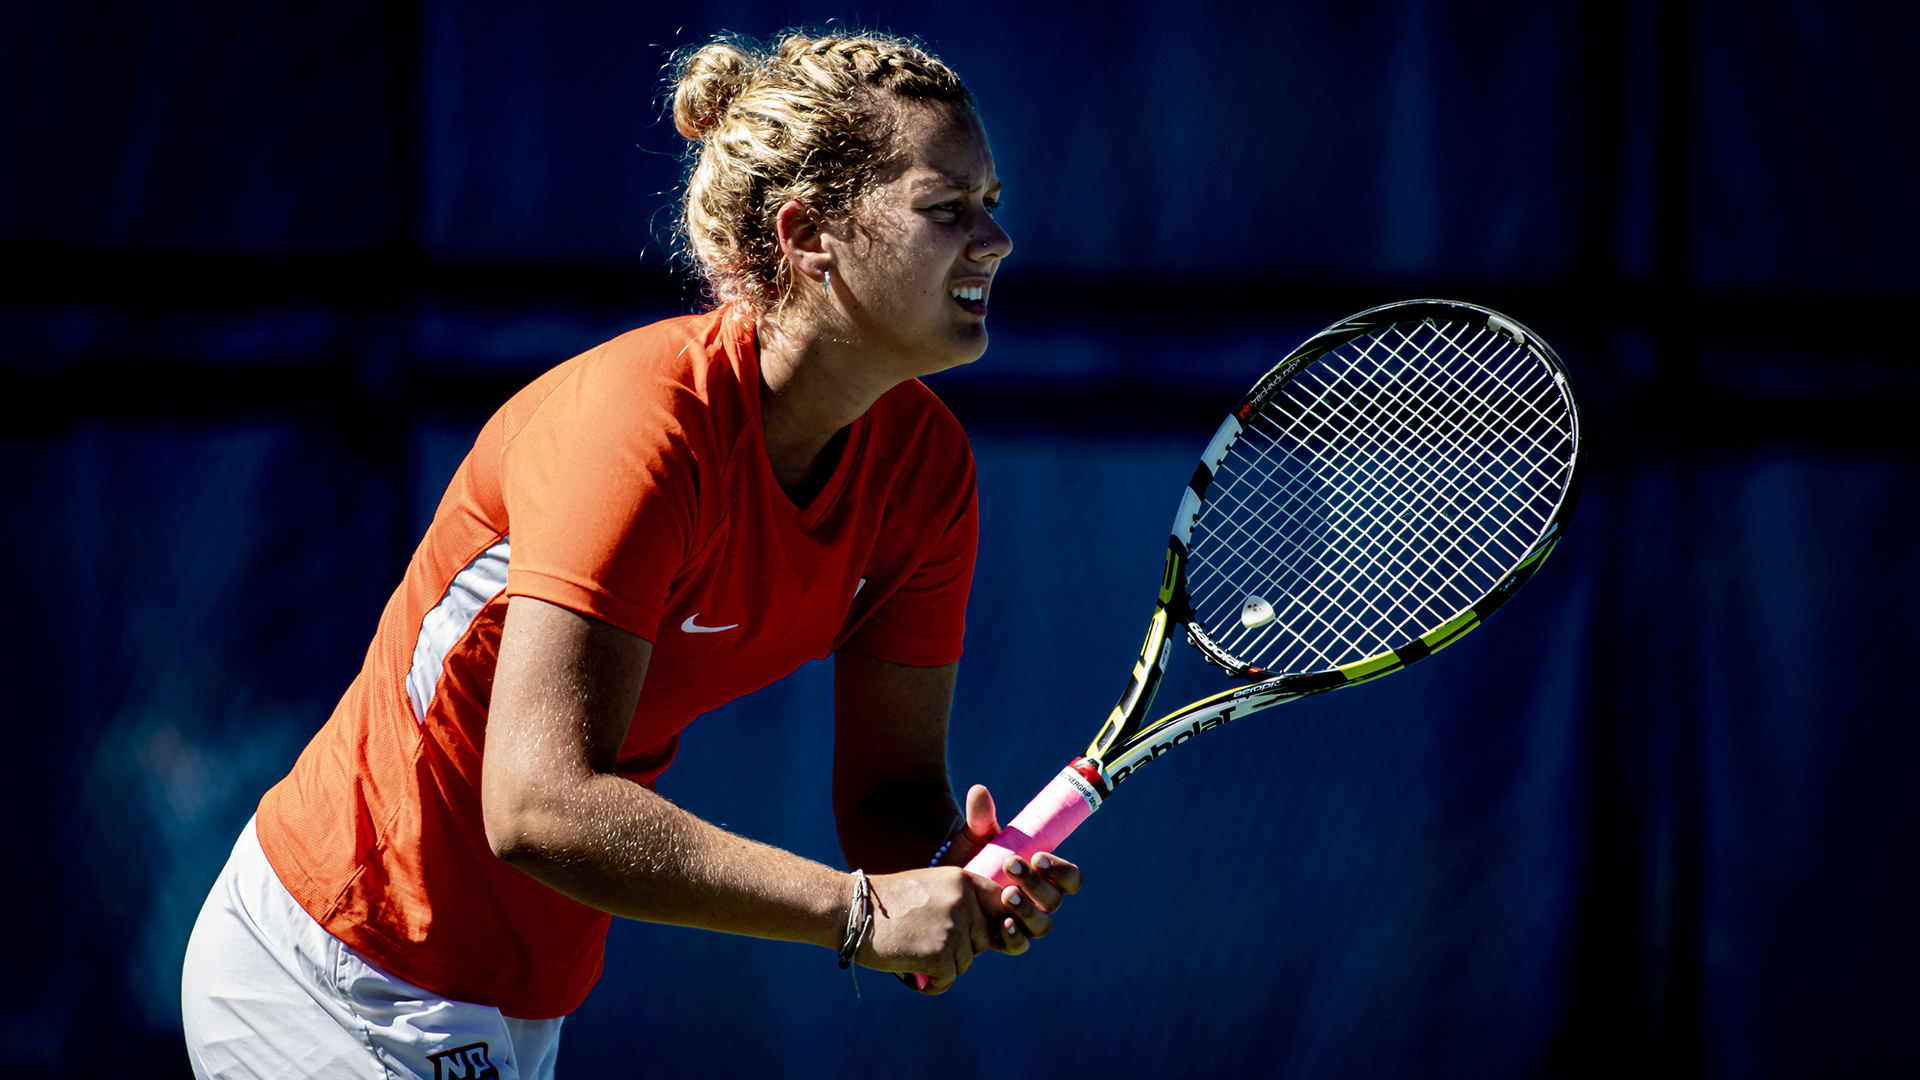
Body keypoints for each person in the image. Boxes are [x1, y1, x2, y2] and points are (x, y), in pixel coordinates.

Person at [181, 30, 1082, 1079]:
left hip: (518, 994)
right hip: (333, 959)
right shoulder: (642, 430)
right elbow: (536, 803)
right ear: (809, 235)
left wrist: (944, 879)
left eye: (992, 200)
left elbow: (887, 797)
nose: (996, 239)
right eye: (947, 208)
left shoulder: (927, 474)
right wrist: (856, 913)